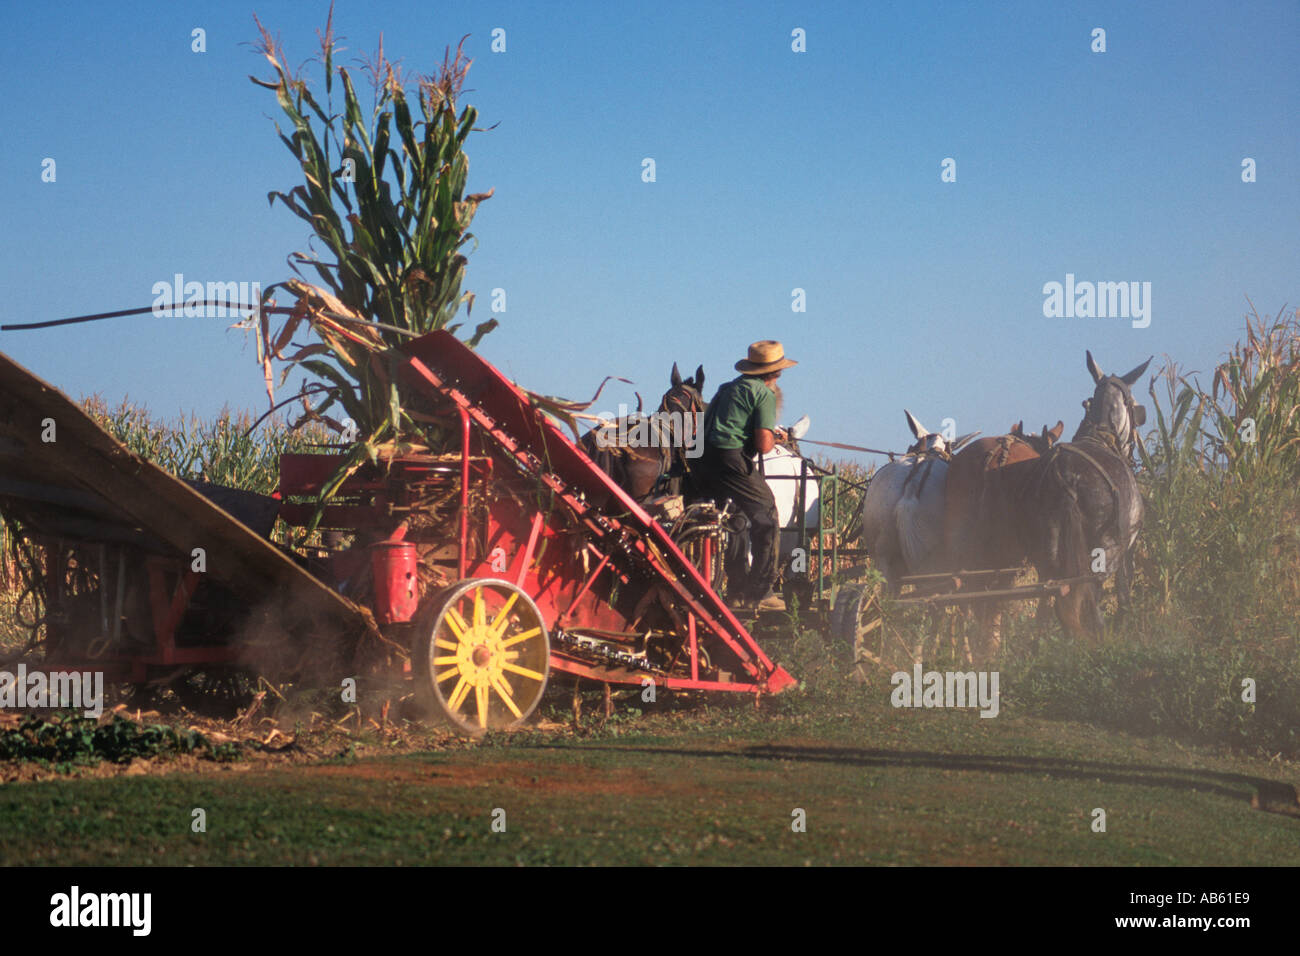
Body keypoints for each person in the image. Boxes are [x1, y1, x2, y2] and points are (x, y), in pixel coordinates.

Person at [695, 340, 796, 613]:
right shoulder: (765, 394)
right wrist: (776, 438)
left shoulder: (727, 388)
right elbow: (763, 445)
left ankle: (737, 591)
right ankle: (761, 592)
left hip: (703, 459)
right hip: (731, 458)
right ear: (775, 373)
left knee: (736, 519)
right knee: (767, 516)